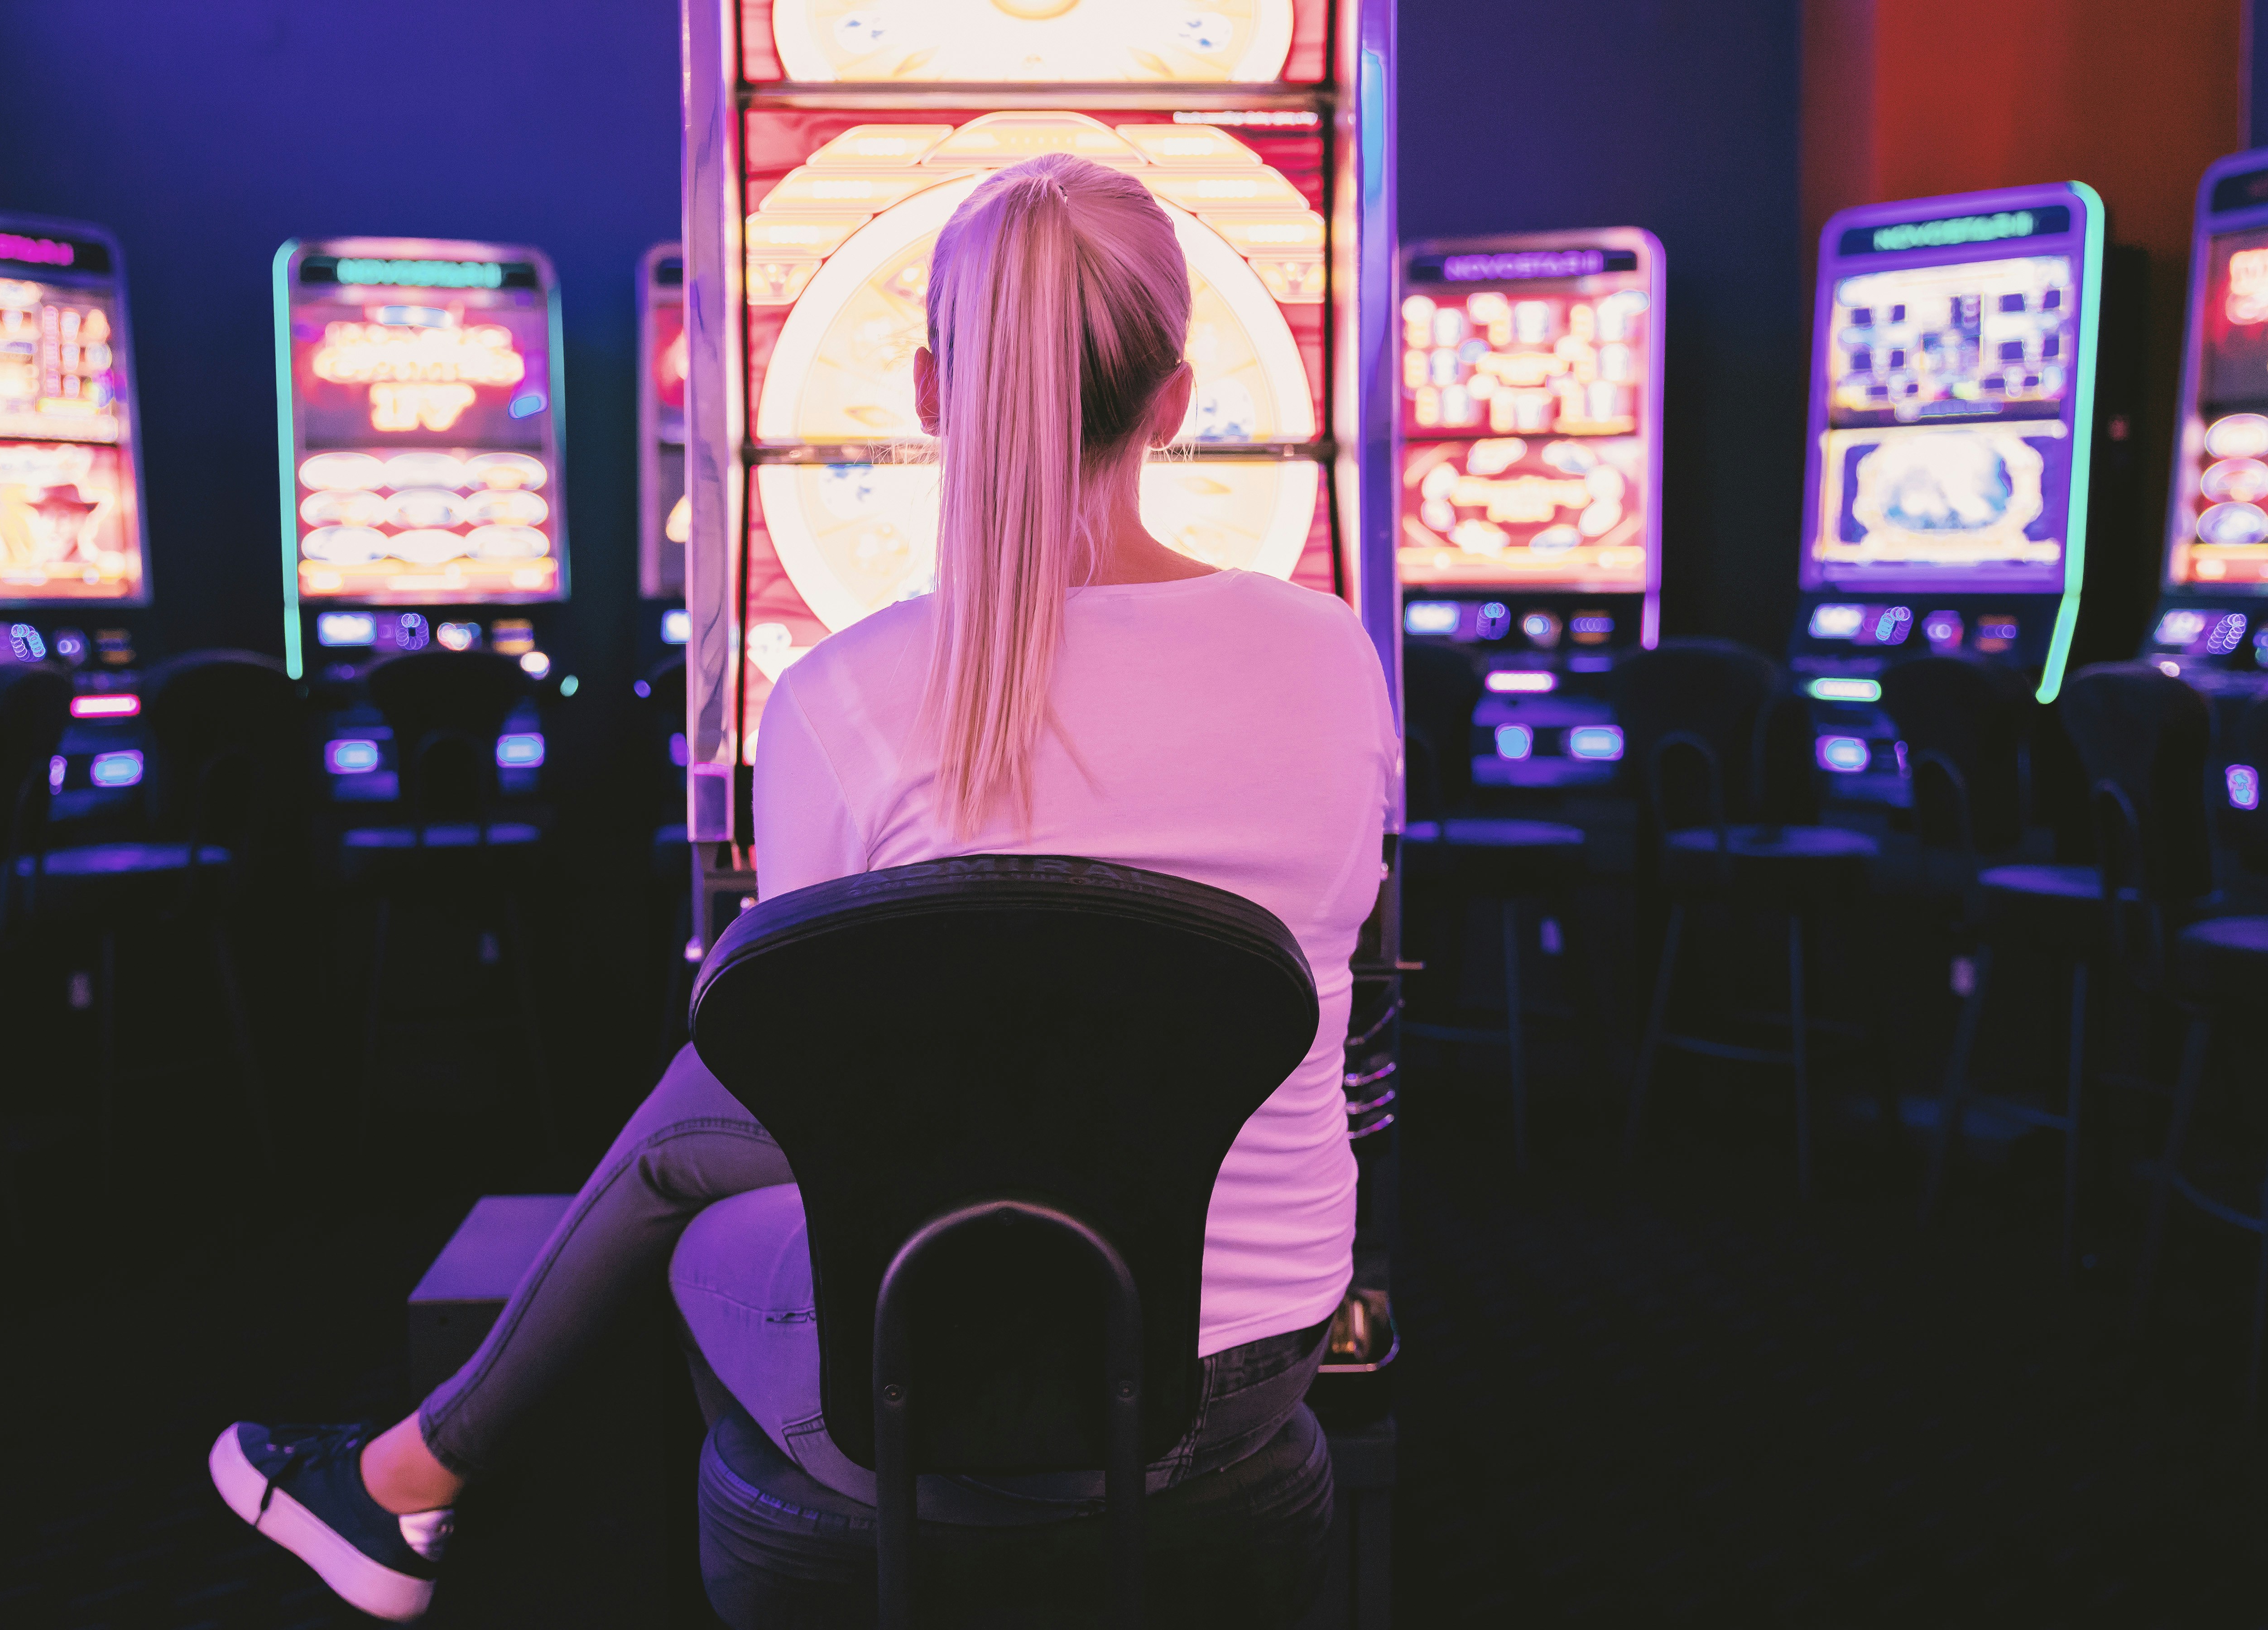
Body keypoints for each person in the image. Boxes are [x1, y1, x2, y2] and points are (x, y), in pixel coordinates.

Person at [209, 151, 1396, 1622]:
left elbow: (809, 1096)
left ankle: (414, 1481)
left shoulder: (845, 695)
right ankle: (411, 1475)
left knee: (696, 1157)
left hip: (930, 1380)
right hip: (1260, 1352)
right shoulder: (1337, 659)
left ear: (928, 391)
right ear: (1174, 397)